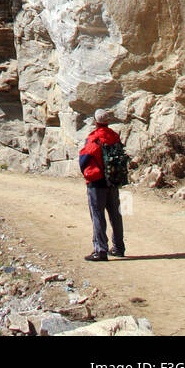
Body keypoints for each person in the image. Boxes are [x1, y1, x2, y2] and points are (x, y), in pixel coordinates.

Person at [79, 108, 125, 262]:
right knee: (115, 215)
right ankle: (119, 247)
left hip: (97, 180)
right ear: (108, 121)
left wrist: (85, 171)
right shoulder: (114, 136)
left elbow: (84, 157)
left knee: (98, 215)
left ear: (96, 122)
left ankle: (101, 250)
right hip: (113, 180)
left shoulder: (94, 137)